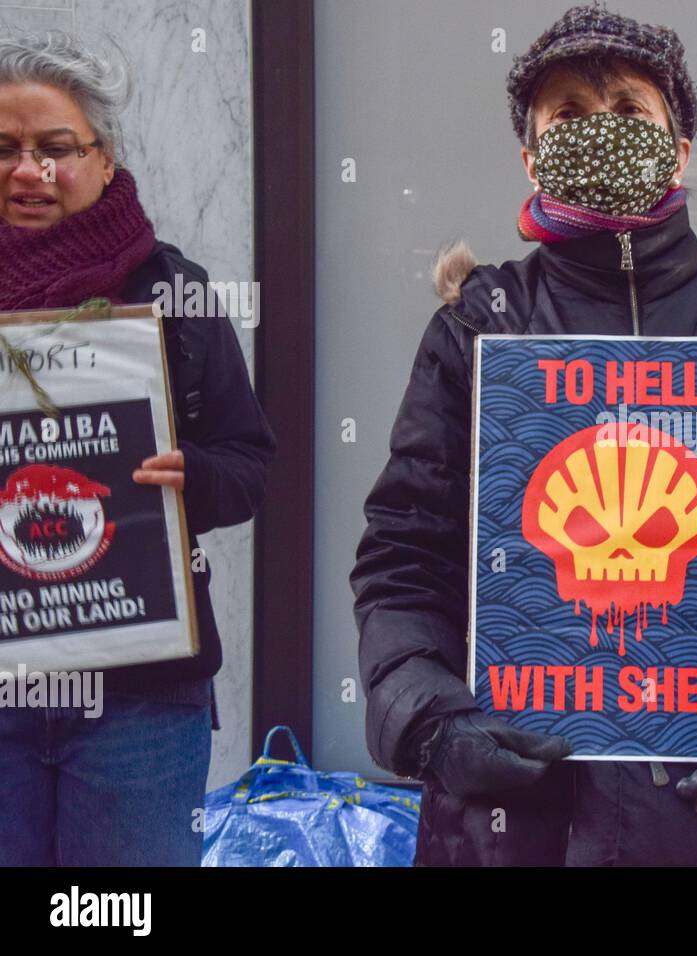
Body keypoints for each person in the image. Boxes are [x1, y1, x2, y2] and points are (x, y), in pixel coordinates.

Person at [352, 3, 697, 866]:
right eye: (568, 115)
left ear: (680, 148)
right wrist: (432, 720)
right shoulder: (480, 327)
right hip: (515, 823)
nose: (601, 130)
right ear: (530, 156)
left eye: (631, 111)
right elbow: (402, 560)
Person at [0, 31, 276, 866]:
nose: (26, 171)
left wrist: (193, 477)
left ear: (105, 158)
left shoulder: (173, 291)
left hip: (141, 701)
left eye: (55, 149)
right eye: (4, 149)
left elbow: (250, 464)